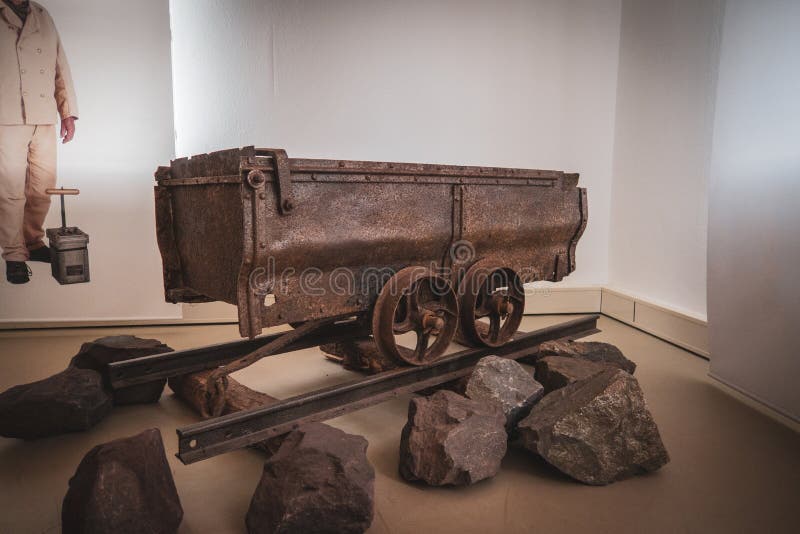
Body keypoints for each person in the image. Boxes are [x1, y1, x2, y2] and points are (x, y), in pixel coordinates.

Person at [0, 0, 77, 284]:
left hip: (43, 116)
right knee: (10, 190)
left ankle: (32, 242)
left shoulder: (43, 16)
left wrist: (67, 113)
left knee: (42, 187)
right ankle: (14, 255)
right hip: (5, 116)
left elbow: (60, 66)